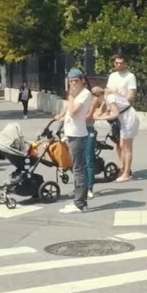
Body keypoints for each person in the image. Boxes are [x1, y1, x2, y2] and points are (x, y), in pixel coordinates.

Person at [55, 69, 94, 212]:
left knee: (78, 169)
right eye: (70, 81)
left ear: (82, 80)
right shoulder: (77, 94)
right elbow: (68, 111)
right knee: (76, 167)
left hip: (78, 135)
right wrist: (60, 116)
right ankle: (79, 197)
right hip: (71, 133)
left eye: (75, 81)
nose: (73, 84)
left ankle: (79, 202)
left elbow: (73, 111)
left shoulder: (85, 94)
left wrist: (70, 97)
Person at [107, 56, 140, 180]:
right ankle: (122, 166)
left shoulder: (130, 76)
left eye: (121, 63)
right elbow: (108, 90)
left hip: (125, 112)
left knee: (126, 145)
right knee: (118, 143)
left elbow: (131, 95)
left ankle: (127, 172)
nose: (119, 65)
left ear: (125, 63)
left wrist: (121, 96)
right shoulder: (112, 76)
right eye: (117, 63)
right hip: (115, 112)